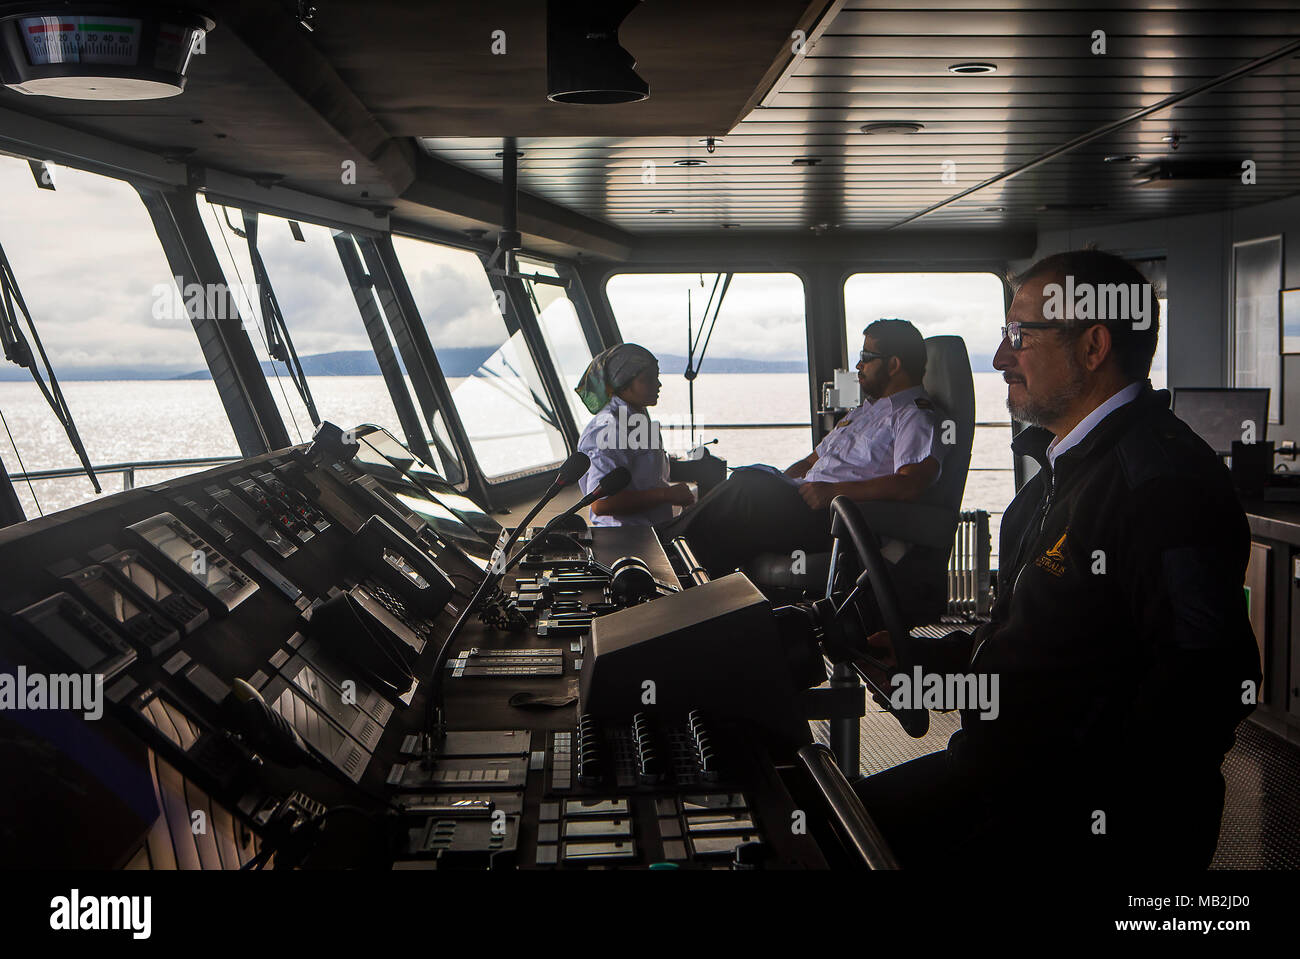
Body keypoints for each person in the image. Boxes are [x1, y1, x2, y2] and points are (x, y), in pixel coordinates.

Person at [852, 249, 1261, 869]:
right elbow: (1052, 648)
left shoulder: (1162, 484)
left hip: (1070, 814)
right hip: (1002, 773)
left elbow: (1207, 686)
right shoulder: (1058, 477)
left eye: (1021, 335)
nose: (1001, 358)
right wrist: (932, 660)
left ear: (1093, 345)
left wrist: (1082, 814)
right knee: (836, 827)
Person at [657, 318, 945, 577]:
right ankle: (679, 575)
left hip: (839, 520)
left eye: (866, 357)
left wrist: (833, 492)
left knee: (747, 486)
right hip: (806, 503)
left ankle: (658, 557)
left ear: (894, 365)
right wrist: (782, 484)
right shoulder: (865, 411)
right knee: (746, 489)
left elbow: (910, 484)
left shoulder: (914, 415)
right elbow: (810, 462)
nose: (858, 366)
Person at [574, 343, 695, 526]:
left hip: (648, 533)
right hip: (626, 540)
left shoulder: (634, 421)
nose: (658, 384)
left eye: (657, 377)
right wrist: (667, 494)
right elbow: (601, 503)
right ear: (622, 384)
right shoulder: (609, 429)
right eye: (648, 379)